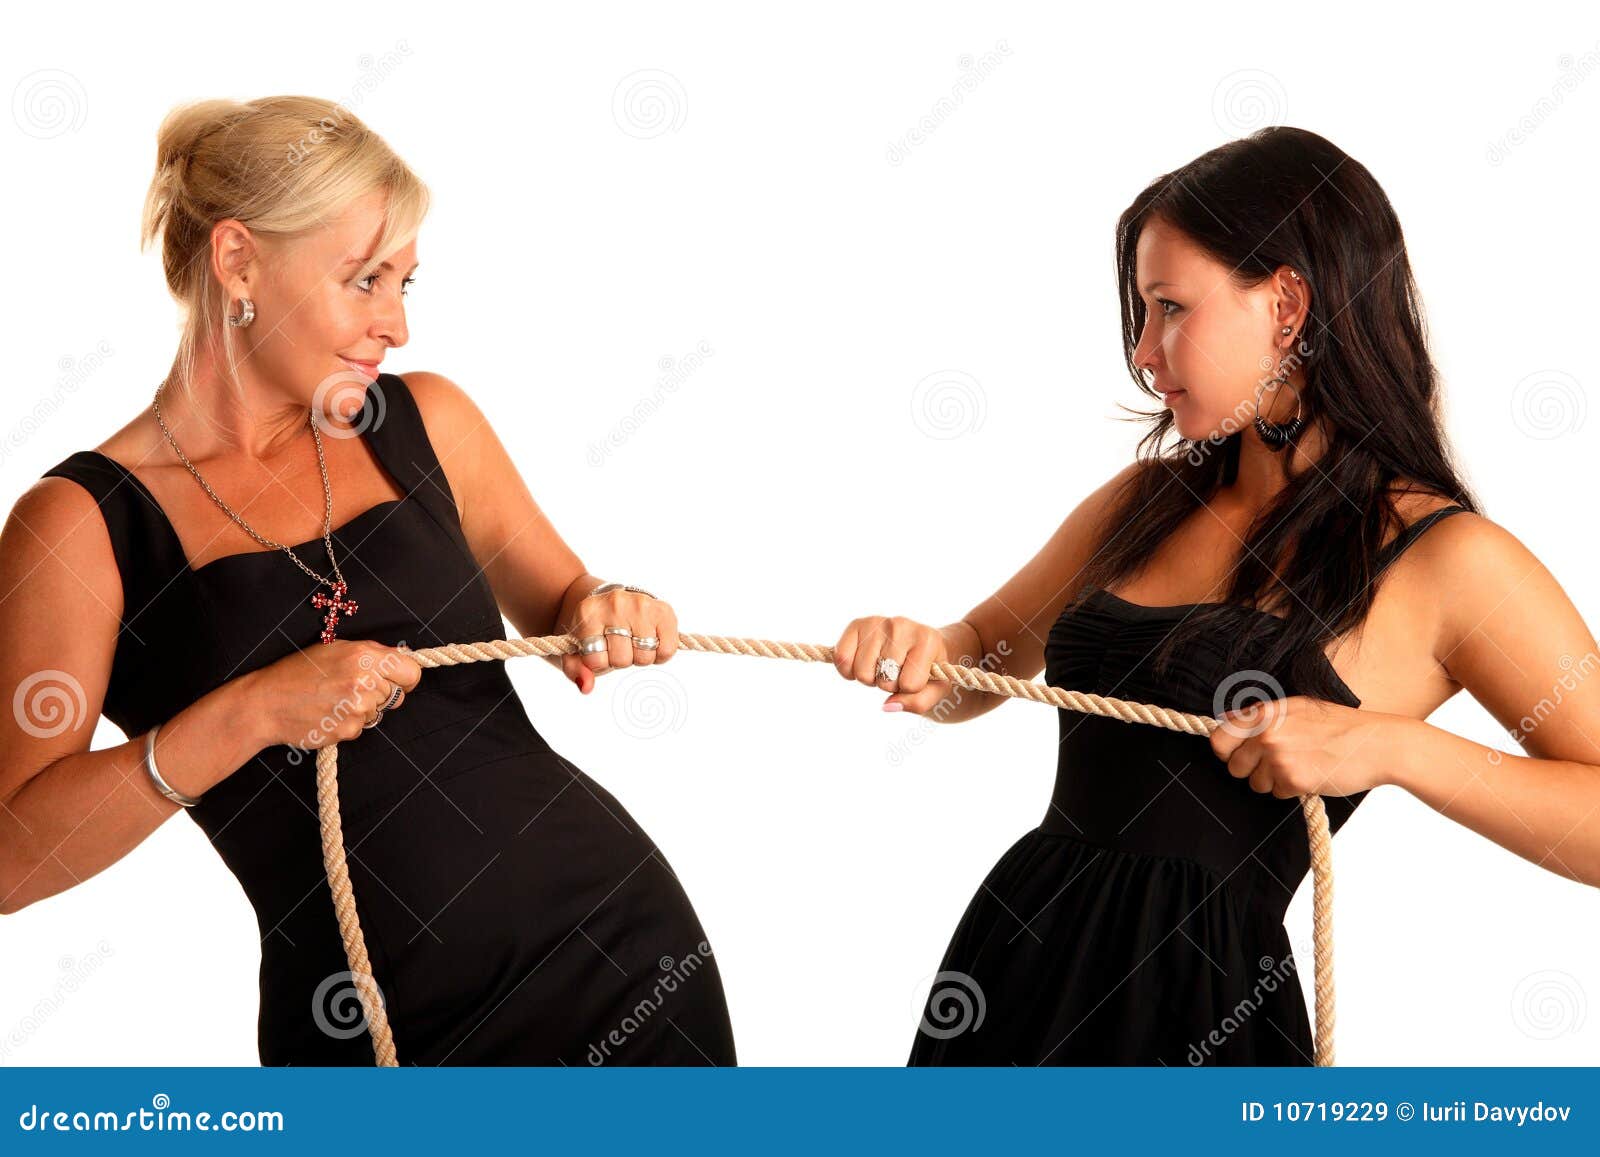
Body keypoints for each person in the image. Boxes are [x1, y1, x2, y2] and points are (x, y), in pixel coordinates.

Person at [833, 126, 1600, 1066]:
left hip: (1197, 1018)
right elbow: (985, 653)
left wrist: (1394, 748)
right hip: (1011, 973)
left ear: (1286, 304)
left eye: (1169, 308)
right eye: (1142, 315)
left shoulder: (1449, 559)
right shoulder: (1144, 502)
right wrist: (924, 650)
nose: (1146, 354)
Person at [0, 95, 735, 1066]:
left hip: (619, 952)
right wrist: (252, 711)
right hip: (373, 1023)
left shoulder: (428, 420)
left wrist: (606, 605)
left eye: (406, 282)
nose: (396, 324)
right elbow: (13, 857)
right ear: (238, 261)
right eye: (364, 280)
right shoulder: (82, 522)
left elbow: (566, 601)